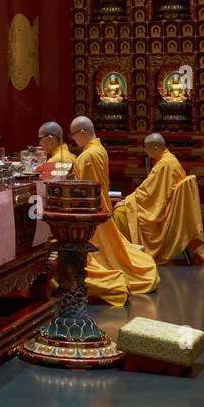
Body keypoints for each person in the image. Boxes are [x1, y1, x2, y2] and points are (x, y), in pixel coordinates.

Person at [69, 117, 160, 306]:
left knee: (101, 253)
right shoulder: (99, 150)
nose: (73, 140)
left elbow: (83, 190)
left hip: (92, 213)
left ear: (83, 133)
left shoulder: (87, 157)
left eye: (74, 135)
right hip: (103, 207)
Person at [112, 133, 204, 265]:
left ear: (155, 148)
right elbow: (152, 189)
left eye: (146, 148)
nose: (145, 151)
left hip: (163, 213)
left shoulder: (165, 164)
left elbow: (149, 192)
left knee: (120, 212)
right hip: (167, 207)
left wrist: (127, 201)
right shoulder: (168, 160)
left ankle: (130, 255)